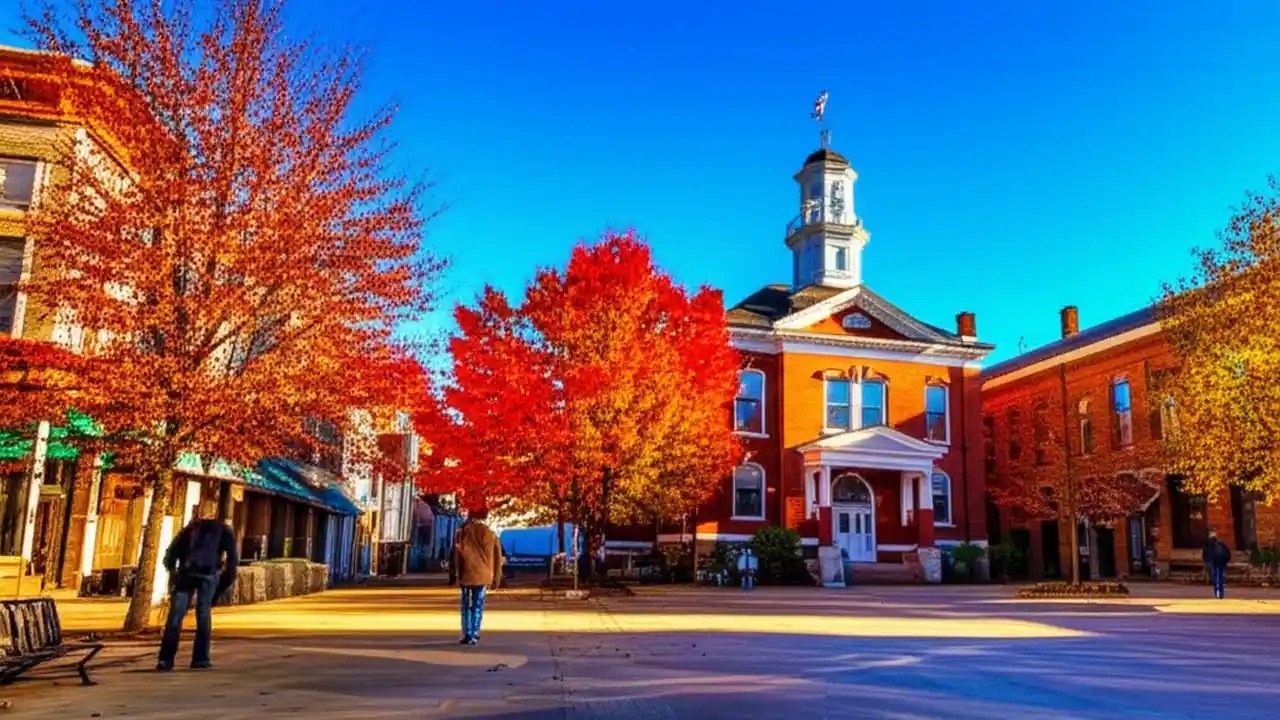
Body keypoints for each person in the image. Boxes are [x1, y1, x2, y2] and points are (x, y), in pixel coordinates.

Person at [156, 502, 238, 671]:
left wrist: (174, 573)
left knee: (175, 617)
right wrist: (222, 585)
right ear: (216, 513)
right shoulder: (223, 530)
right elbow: (232, 562)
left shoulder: (189, 530)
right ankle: (200, 659)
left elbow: (170, 555)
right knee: (203, 614)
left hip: (185, 575)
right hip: (209, 576)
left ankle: (166, 659)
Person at [450, 507, 503, 646]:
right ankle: (475, 632)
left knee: (466, 604)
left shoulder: (462, 533)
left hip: (466, 573)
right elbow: (498, 558)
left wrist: (455, 573)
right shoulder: (491, 534)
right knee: (478, 604)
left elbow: (456, 555)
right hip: (484, 575)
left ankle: (467, 633)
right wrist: (497, 578)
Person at [1210, 534, 1232, 599]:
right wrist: (1226, 562)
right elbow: (1228, 554)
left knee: (1215, 577)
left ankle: (1217, 592)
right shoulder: (1223, 546)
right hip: (1222, 563)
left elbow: (1208, 555)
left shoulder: (1212, 546)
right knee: (1220, 577)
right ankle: (1221, 593)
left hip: (1215, 563)